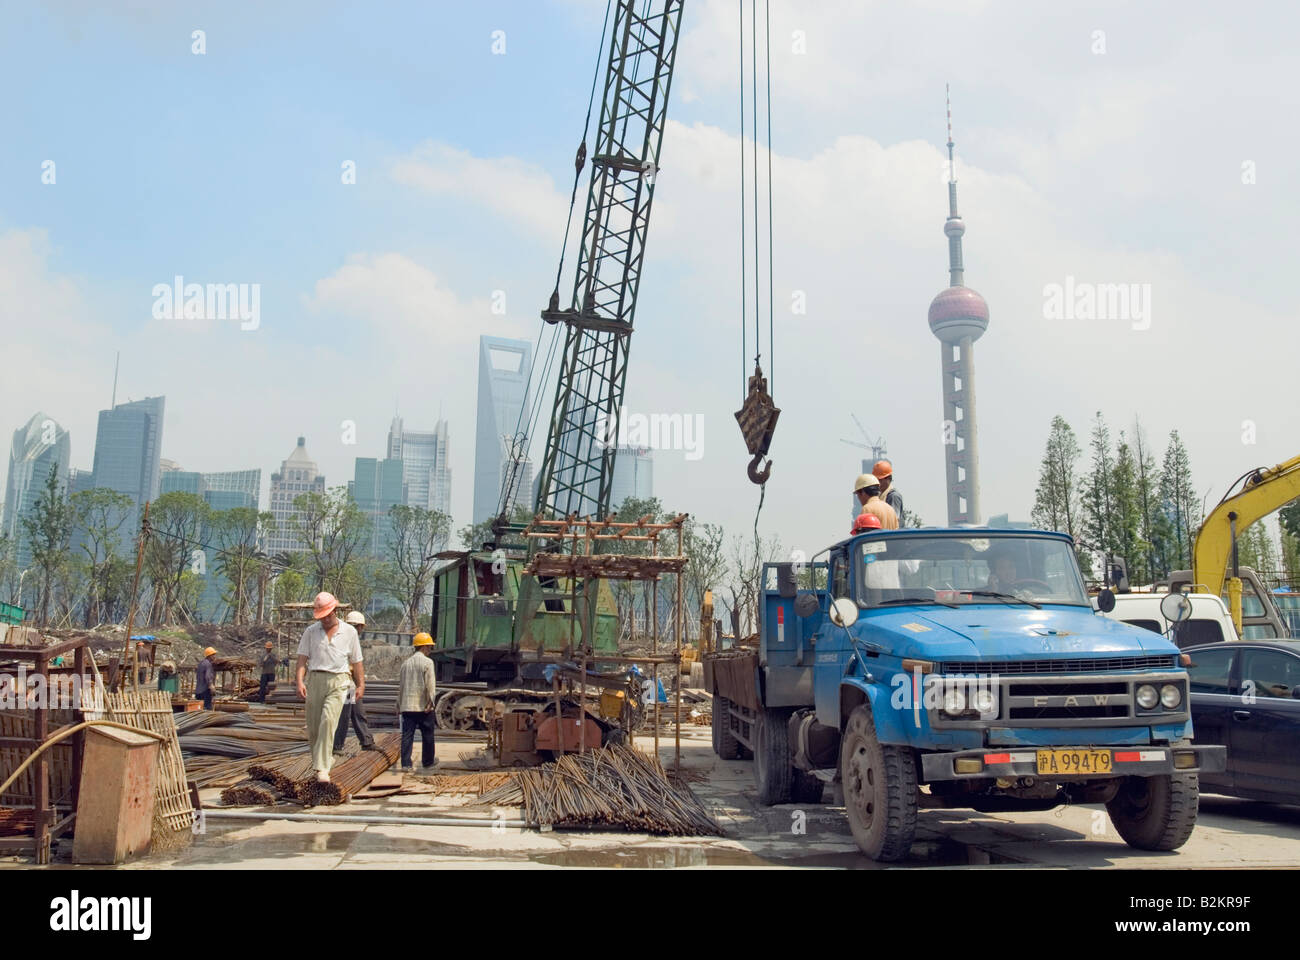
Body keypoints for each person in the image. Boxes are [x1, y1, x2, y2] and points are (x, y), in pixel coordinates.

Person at [295, 591, 364, 784]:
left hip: (339, 680)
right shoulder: (311, 632)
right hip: (315, 680)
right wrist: (300, 681)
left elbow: (357, 662)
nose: (325, 619)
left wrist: (361, 685)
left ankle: (323, 769)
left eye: (327, 614)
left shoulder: (349, 632)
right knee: (315, 727)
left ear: (334, 610)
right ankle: (323, 760)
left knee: (328, 720)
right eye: (321, 616)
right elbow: (302, 660)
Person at [333, 611, 376, 752]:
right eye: (361, 627)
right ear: (357, 626)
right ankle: (337, 745)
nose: (361, 630)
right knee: (343, 716)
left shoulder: (352, 639)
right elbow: (354, 665)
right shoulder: (344, 639)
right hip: (344, 685)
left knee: (358, 712)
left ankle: (366, 741)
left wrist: (359, 685)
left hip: (351, 687)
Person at [397, 632, 438, 772]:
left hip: (408, 706)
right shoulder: (428, 662)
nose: (430, 650)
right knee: (428, 734)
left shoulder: (405, 664)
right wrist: (431, 702)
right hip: (423, 707)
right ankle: (427, 762)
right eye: (430, 647)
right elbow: (430, 685)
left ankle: (406, 764)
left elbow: (401, 686)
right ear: (425, 647)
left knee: (407, 735)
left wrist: (399, 705)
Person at [873, 460, 905, 526]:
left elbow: (893, 521)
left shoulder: (893, 496)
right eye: (876, 480)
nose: (878, 483)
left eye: (880, 480)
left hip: (892, 536)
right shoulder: (880, 496)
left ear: (888, 479)